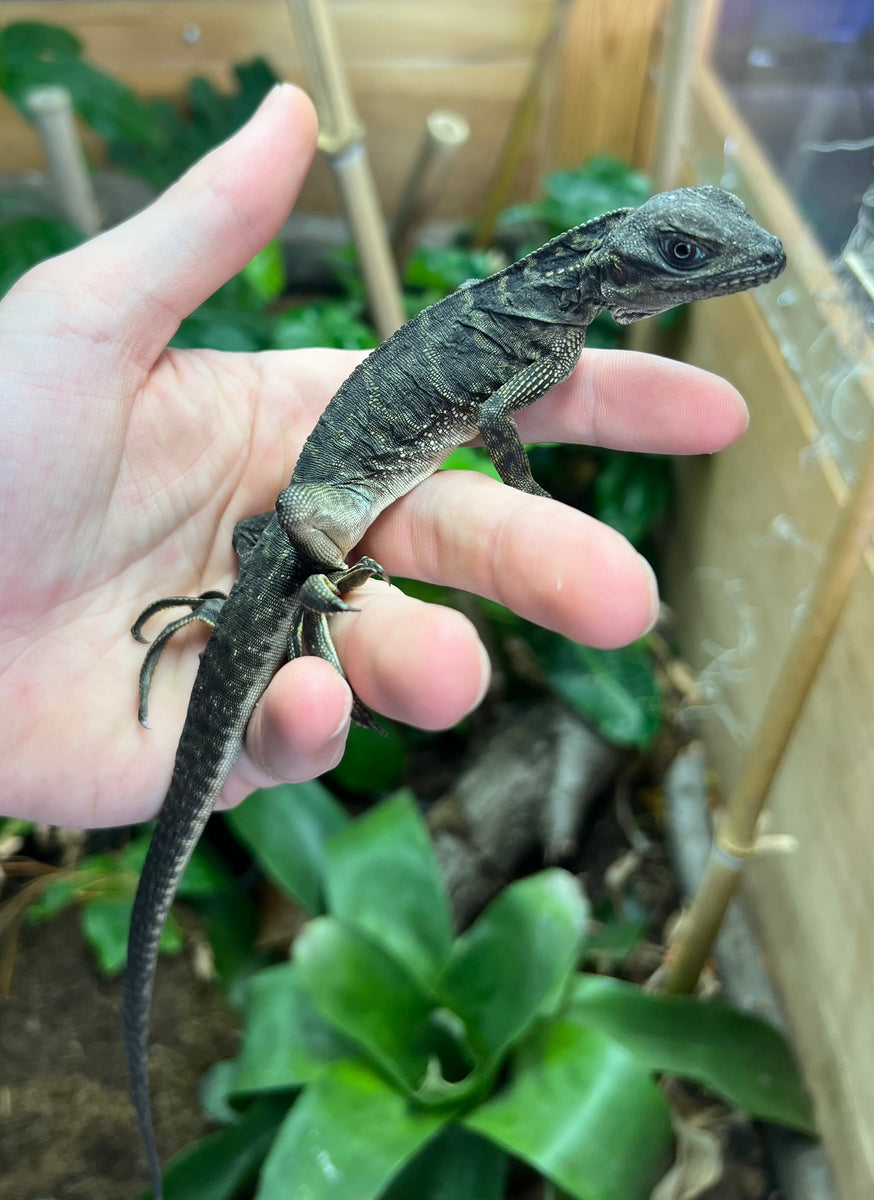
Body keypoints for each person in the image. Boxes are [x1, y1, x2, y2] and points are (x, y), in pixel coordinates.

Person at [0, 84, 749, 829]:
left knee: (286, 600)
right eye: (686, 254)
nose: (720, 264)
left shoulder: (551, 323)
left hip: (299, 507)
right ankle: (258, 607)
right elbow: (492, 412)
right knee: (298, 582)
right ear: (622, 262)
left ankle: (245, 605)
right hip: (316, 507)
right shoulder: (552, 346)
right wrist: (525, 490)